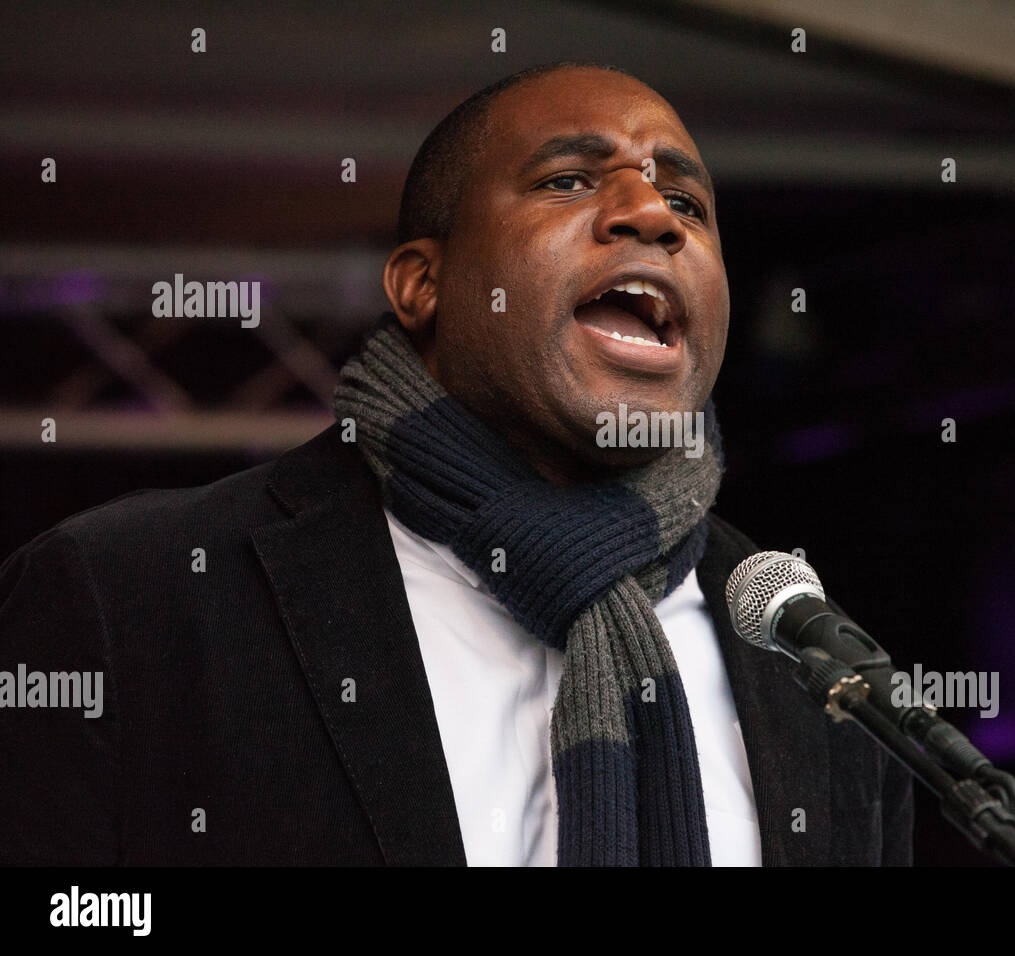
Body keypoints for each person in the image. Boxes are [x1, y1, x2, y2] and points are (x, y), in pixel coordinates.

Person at [0, 61, 912, 866]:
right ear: (420, 285)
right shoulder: (128, 597)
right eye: (567, 180)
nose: (648, 214)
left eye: (687, 204)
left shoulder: (817, 670)